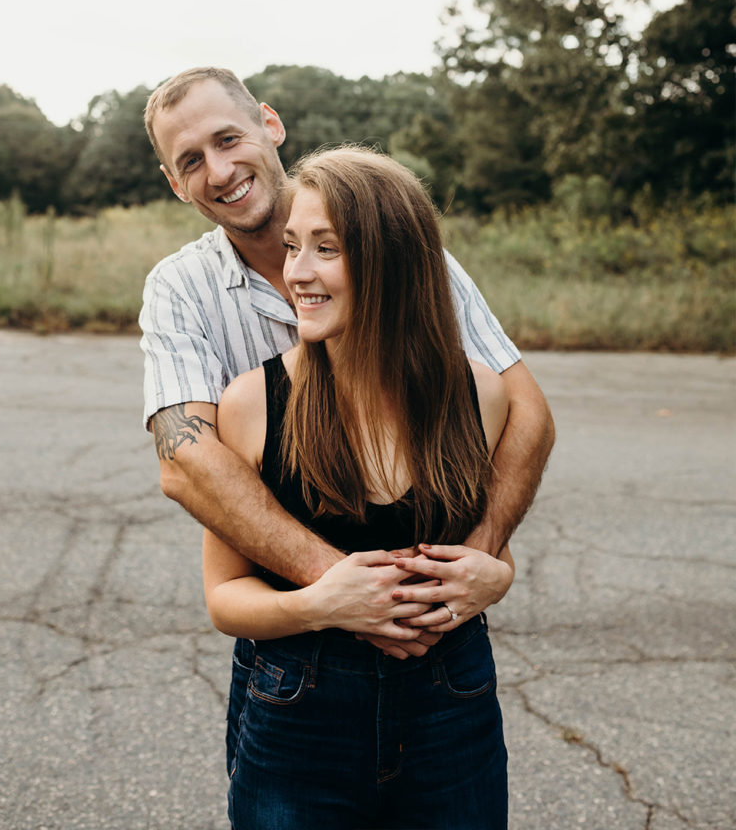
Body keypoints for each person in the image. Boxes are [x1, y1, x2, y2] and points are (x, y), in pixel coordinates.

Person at [140, 67, 554, 659]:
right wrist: (347, 591)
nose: (220, 171)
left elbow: (525, 411)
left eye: (228, 139)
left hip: (438, 646)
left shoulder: (396, 246)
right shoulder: (180, 288)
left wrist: (480, 559)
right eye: (191, 161)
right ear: (175, 183)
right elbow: (185, 461)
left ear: (270, 123)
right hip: (294, 645)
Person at [202, 146, 512, 826]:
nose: (296, 273)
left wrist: (498, 577)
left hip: (452, 705)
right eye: (292, 246)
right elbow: (225, 599)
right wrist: (320, 604)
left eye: (326, 249)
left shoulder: (479, 395)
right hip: (299, 711)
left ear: (393, 262)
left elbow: (487, 553)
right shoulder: (253, 403)